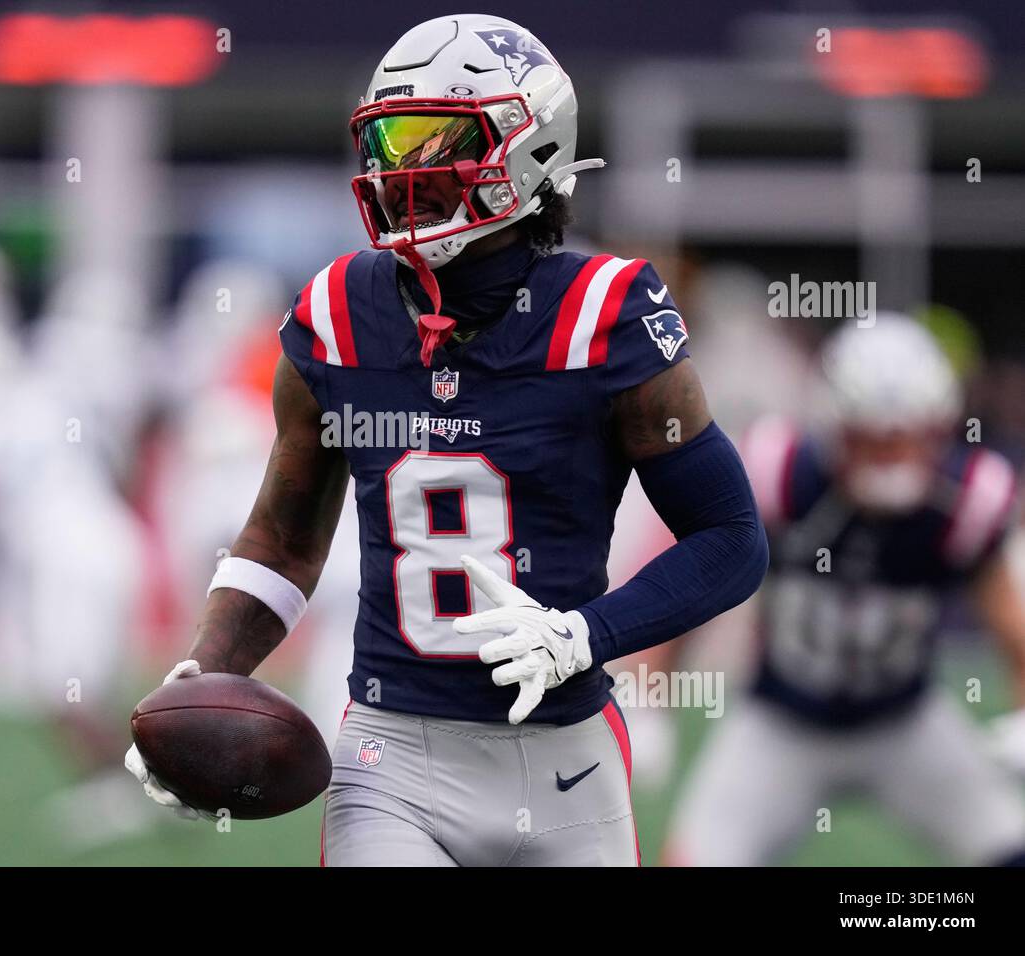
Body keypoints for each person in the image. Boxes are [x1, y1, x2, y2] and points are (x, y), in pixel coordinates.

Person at [126, 13, 767, 866]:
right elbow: (282, 543)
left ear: (527, 148)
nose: (402, 170)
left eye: (434, 139)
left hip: (564, 757)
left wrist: (585, 634)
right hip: (392, 755)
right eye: (388, 140)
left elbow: (731, 539)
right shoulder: (337, 315)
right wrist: (202, 672)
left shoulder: (603, 316)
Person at [667, 314, 1025, 866]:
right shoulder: (779, 474)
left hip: (907, 723)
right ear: (834, 423)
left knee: (1009, 847)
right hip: (781, 724)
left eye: (909, 435)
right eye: (872, 436)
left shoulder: (966, 502)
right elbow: (691, 580)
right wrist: (648, 695)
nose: (892, 454)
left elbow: (1011, 628)